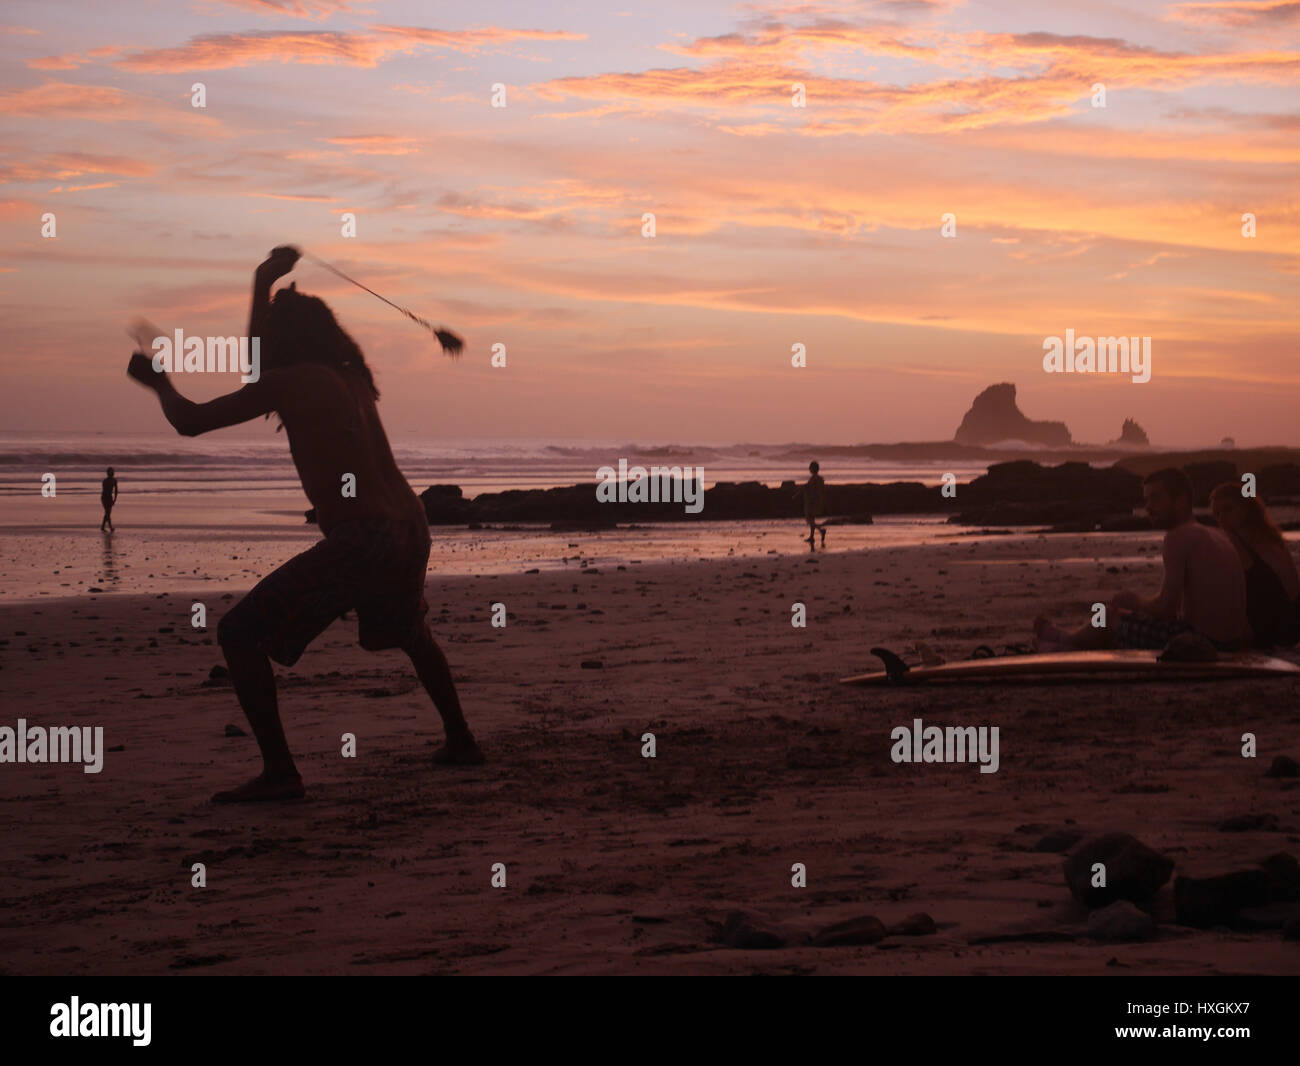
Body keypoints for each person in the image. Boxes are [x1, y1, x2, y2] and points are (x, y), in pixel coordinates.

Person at [127, 245, 482, 803]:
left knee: (238, 633)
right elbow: (258, 371)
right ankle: (460, 739)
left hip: (364, 537)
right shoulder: (352, 380)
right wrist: (262, 281)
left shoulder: (291, 382)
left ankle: (281, 774)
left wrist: (160, 384)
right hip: (411, 526)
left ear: (282, 338)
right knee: (413, 633)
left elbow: (192, 422)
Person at [1034, 467, 1250, 652]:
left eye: (1156, 498)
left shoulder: (1179, 536)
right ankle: (1072, 641)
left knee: (1109, 616)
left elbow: (1166, 608)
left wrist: (1134, 601)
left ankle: (1064, 641)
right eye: (1146, 499)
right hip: (1232, 642)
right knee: (1122, 620)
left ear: (1181, 500)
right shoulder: (1215, 534)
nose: (1148, 507)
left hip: (1200, 643)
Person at [1210, 483, 1300, 648]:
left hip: (1272, 633)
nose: (1221, 518)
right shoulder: (1271, 536)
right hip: (1292, 625)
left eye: (1228, 509)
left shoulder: (1237, 542)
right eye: (1217, 513)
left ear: (1246, 509)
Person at [794, 461, 827, 549]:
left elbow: (807, 487)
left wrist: (796, 495)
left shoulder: (814, 479)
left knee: (809, 519)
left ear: (813, 469)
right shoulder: (820, 479)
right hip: (817, 501)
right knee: (812, 518)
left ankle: (821, 530)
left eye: (810, 467)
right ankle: (812, 537)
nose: (809, 469)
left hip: (811, 502)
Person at [100, 467, 117, 532]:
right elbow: (105, 491)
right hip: (104, 497)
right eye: (111, 472)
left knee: (108, 513)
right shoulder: (105, 481)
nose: (112, 473)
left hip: (110, 497)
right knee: (107, 512)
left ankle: (103, 526)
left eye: (112, 472)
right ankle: (110, 527)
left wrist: (114, 499)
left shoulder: (114, 480)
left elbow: (116, 490)